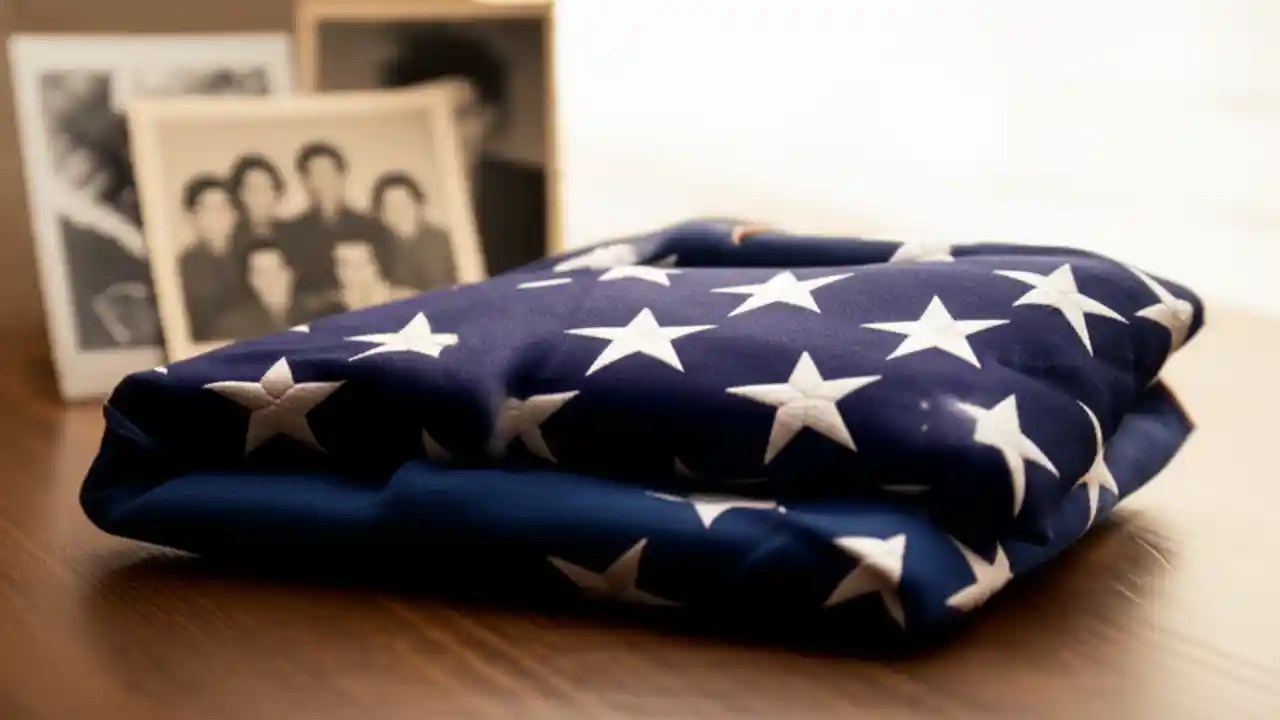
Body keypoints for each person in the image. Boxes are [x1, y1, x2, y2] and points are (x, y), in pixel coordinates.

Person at [382, 27, 546, 274]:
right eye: (432, 116)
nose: (448, 130)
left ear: (489, 117)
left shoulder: (536, 194)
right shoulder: (385, 198)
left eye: (461, 114)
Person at [280, 142, 385, 308]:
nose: (324, 181)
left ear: (343, 176)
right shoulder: (291, 232)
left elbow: (385, 279)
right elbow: (292, 291)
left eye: (330, 172)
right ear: (305, 182)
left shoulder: (371, 227)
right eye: (315, 174)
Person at [177, 175, 244, 341]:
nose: (219, 215)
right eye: (209, 208)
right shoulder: (188, 265)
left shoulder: (248, 254)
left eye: (224, 206)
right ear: (192, 217)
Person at [369, 172, 457, 291]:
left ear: (419, 205)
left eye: (404, 202)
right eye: (390, 205)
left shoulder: (443, 240)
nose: (399, 210)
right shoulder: (378, 249)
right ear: (381, 215)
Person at [211, 243, 300, 339]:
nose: (271, 279)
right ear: (250, 281)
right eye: (262, 273)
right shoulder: (233, 327)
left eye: (277, 268)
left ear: (291, 273)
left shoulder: (311, 316)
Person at [228, 153, 287, 263]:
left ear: (276, 192)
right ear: (240, 194)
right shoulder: (230, 240)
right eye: (252, 188)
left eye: (265, 187)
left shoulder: (294, 234)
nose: (259, 196)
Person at [332, 239, 415, 311]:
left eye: (361, 263)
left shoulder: (409, 301)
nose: (354, 270)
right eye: (345, 264)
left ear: (377, 266)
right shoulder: (329, 310)